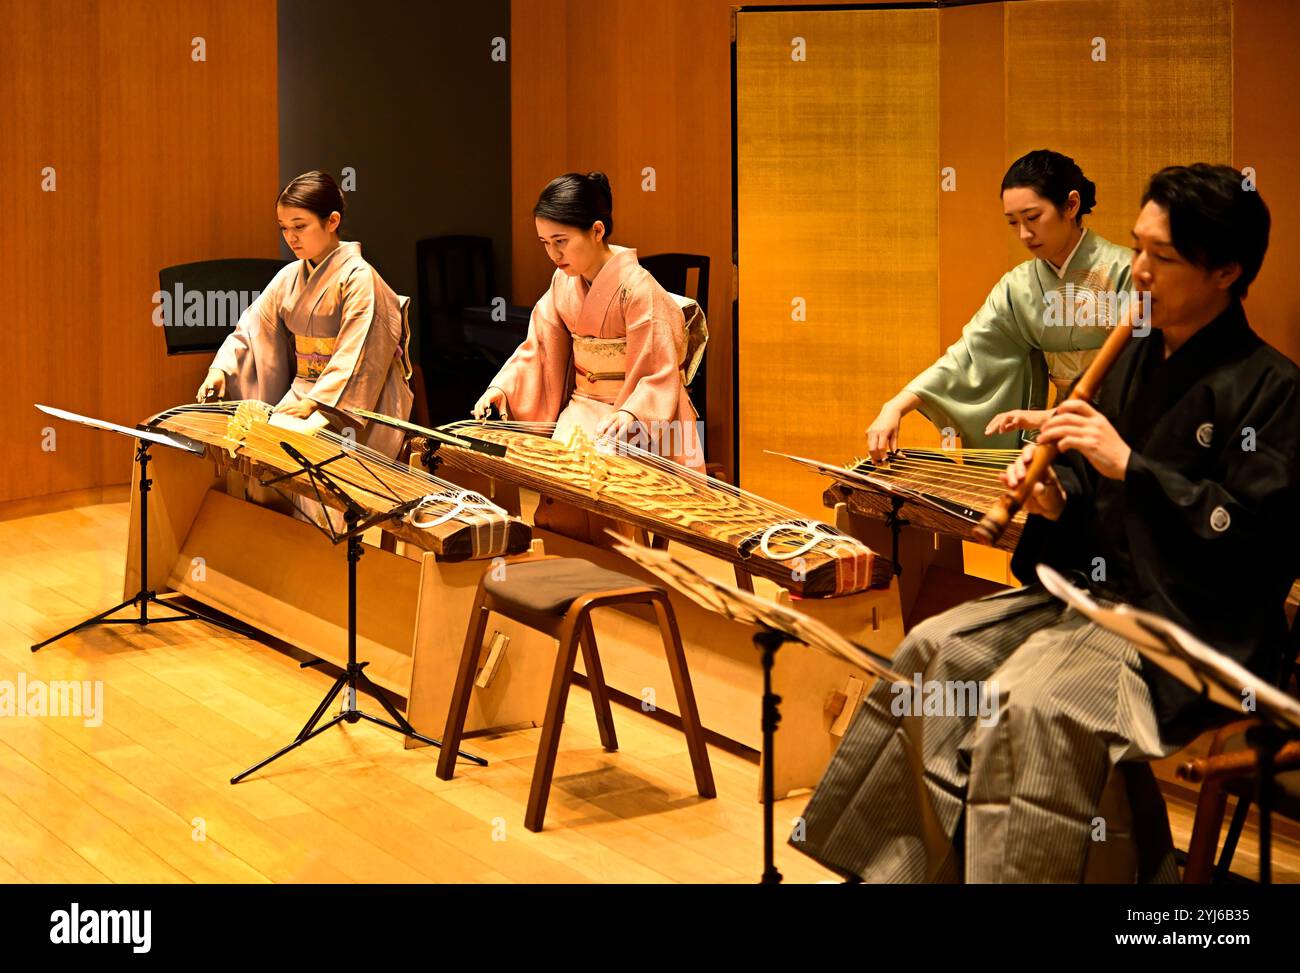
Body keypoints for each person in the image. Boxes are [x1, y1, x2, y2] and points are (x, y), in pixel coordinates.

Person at [795, 164, 1300, 883]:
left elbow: (1252, 539)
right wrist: (1057, 499)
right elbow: (1093, 493)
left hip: (1191, 628)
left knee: (1021, 704)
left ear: (1226, 271)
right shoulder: (1133, 357)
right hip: (1097, 596)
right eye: (1137, 248)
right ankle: (911, 873)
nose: (1140, 272)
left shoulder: (1273, 389)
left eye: (1161, 256)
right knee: (933, 654)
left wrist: (1134, 469)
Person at [865, 150, 1133, 462]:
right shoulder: (1019, 286)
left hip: (1121, 433)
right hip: (1056, 439)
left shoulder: (1127, 272)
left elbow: (1153, 374)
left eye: (1033, 218)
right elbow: (970, 354)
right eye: (1013, 222)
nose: (1024, 234)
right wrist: (896, 405)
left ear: (1071, 205)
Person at [472, 171, 704, 471]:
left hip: (641, 414)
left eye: (561, 241)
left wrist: (632, 413)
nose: (553, 254)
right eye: (545, 242)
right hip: (584, 407)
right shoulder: (563, 283)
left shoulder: (639, 288)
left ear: (597, 231)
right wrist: (502, 390)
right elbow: (539, 350)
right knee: (562, 479)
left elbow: (658, 372)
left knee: (635, 497)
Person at [197, 170, 412, 458]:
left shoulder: (359, 278)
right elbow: (252, 327)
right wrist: (220, 369)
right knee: (264, 458)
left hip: (348, 403)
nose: (291, 237)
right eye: (284, 228)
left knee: (321, 478)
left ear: (332, 221)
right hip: (302, 394)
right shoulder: (289, 275)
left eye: (300, 226)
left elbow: (359, 353)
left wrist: (317, 403)